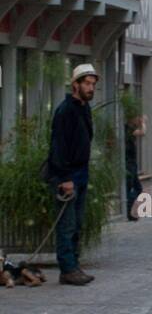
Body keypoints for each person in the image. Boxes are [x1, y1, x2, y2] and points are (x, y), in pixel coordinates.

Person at [48, 64, 99, 285]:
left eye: (93, 84)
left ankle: (74, 265)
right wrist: (65, 178)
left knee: (77, 223)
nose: (91, 88)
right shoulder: (65, 111)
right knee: (67, 224)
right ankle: (67, 268)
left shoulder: (84, 108)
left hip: (81, 172)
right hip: (67, 174)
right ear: (75, 84)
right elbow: (58, 147)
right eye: (87, 83)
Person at [124, 112, 145, 219]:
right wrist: (143, 123)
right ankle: (128, 213)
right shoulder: (128, 128)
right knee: (130, 188)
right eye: (137, 118)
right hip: (128, 163)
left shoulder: (129, 128)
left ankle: (129, 212)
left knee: (137, 188)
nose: (138, 120)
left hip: (132, 163)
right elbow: (142, 132)